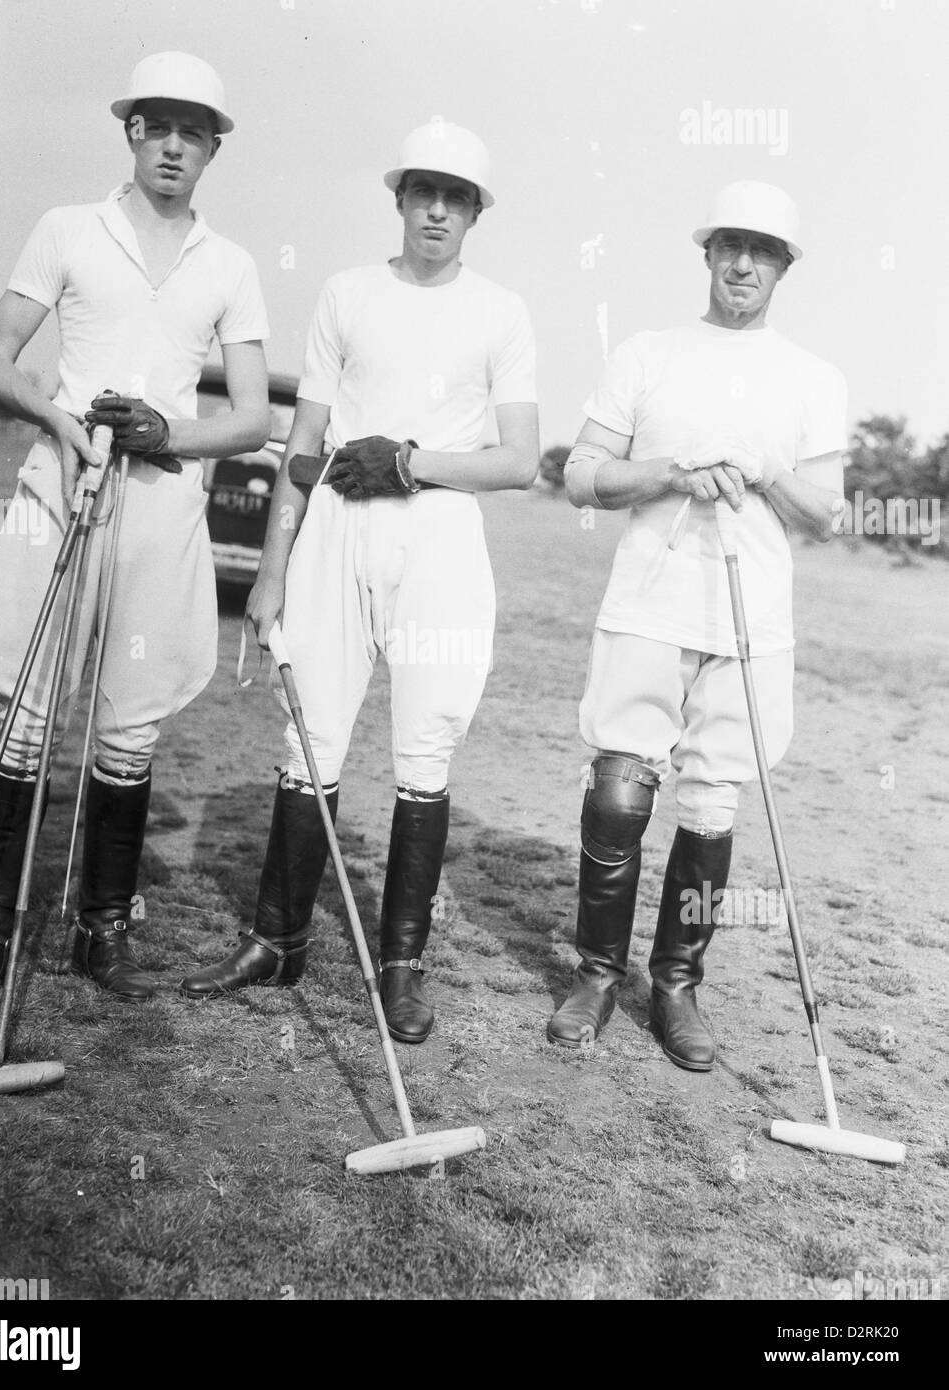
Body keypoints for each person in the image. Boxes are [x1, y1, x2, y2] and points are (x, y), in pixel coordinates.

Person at [183, 119, 539, 1044]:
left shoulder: (501, 311)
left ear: (474, 213)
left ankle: (402, 965)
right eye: (422, 191)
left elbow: (520, 461)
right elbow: (303, 448)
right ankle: (278, 938)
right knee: (313, 738)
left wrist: (414, 461)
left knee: (424, 750)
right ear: (400, 197)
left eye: (454, 197)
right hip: (336, 528)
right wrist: (269, 575)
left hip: (440, 539)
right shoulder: (346, 292)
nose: (436, 210)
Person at [0, 52, 270, 1011]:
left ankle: (101, 927)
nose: (172, 144)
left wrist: (170, 433)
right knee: (27, 717)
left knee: (129, 728)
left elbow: (250, 418)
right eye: (156, 124)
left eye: (192, 131)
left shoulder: (231, 264)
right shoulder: (67, 229)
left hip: (161, 506)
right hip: (61, 491)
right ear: (130, 131)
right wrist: (64, 423)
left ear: (212, 147)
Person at [548, 181, 847, 1071]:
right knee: (617, 790)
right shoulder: (648, 354)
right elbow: (579, 475)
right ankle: (597, 974)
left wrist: (763, 473)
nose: (743, 264)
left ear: (785, 266)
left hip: (750, 618)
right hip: (649, 600)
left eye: (763, 251)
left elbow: (827, 514)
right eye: (729, 246)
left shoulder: (812, 376)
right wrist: (670, 473)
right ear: (707, 251)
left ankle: (676, 983)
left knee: (713, 803)